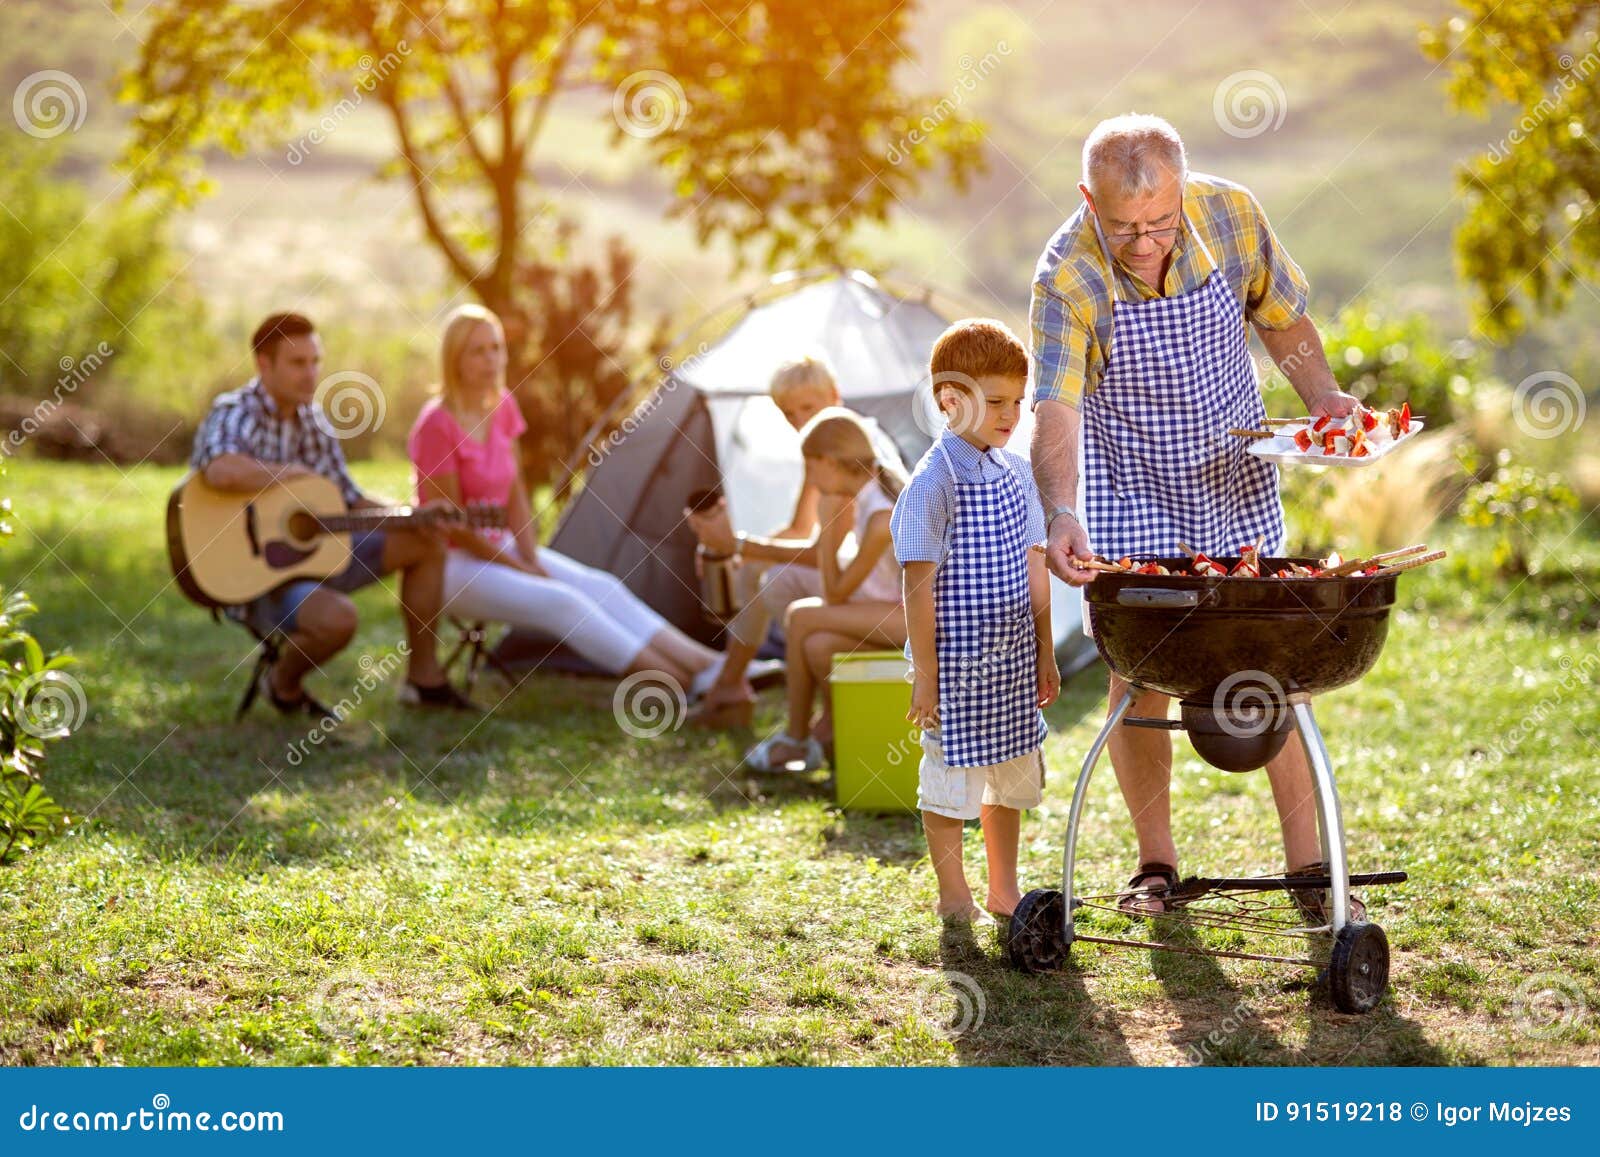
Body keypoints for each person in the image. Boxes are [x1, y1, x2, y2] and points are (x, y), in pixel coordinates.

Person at [1028, 113, 1365, 919]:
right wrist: (1061, 510)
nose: (1143, 243)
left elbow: (1279, 320)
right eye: (1123, 227)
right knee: (1137, 674)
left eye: (1159, 223)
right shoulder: (1066, 275)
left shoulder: (1233, 213)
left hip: (1232, 476)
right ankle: (1157, 865)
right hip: (1127, 483)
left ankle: (1310, 871)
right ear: (1087, 198)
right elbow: (1056, 406)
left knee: (1276, 666)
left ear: (1184, 191)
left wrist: (1322, 398)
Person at [408, 304, 728, 693]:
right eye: (477, 351)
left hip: (501, 547)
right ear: (454, 359)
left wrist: (528, 555)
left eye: (495, 348)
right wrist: (522, 568)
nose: (491, 360)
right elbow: (456, 527)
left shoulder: (501, 405)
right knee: (565, 604)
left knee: (602, 585)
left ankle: (713, 666)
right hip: (450, 564)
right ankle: (678, 683)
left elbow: (515, 493)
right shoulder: (436, 425)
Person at [190, 312, 472, 715]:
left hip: (314, 556)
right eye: (297, 363)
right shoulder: (236, 411)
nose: (311, 374)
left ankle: (424, 679)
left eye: (315, 361)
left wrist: (415, 514)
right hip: (253, 576)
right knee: (340, 619)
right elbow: (219, 469)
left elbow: (350, 499)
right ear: (263, 364)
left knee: (425, 543)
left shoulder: (314, 419)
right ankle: (282, 685)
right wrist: (291, 474)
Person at [892, 319, 1060, 924]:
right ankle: (953, 892)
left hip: (1013, 661)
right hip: (956, 669)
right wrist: (926, 674)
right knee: (950, 781)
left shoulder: (1016, 474)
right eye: (995, 401)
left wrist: (1045, 649)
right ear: (951, 401)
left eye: (1018, 400)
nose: (1010, 413)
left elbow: (1034, 565)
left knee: (1008, 776)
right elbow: (918, 590)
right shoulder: (932, 485)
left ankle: (1003, 887)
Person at [684, 355, 904, 727]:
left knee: (778, 582)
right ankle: (741, 686)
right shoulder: (825, 444)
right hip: (862, 574)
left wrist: (739, 545)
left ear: (835, 396)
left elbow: (824, 548)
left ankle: (755, 695)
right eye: (789, 413)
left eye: (808, 407)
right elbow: (802, 531)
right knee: (761, 570)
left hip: (881, 588)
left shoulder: (843, 453)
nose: (801, 421)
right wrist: (734, 549)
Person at [740, 408, 909, 773]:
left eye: (812, 469)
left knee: (801, 616)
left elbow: (835, 595)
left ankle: (796, 739)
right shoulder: (869, 497)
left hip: (912, 617)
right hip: (884, 610)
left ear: (830, 463)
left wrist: (830, 529)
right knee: (818, 646)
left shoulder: (880, 516)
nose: (812, 481)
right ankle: (839, 741)